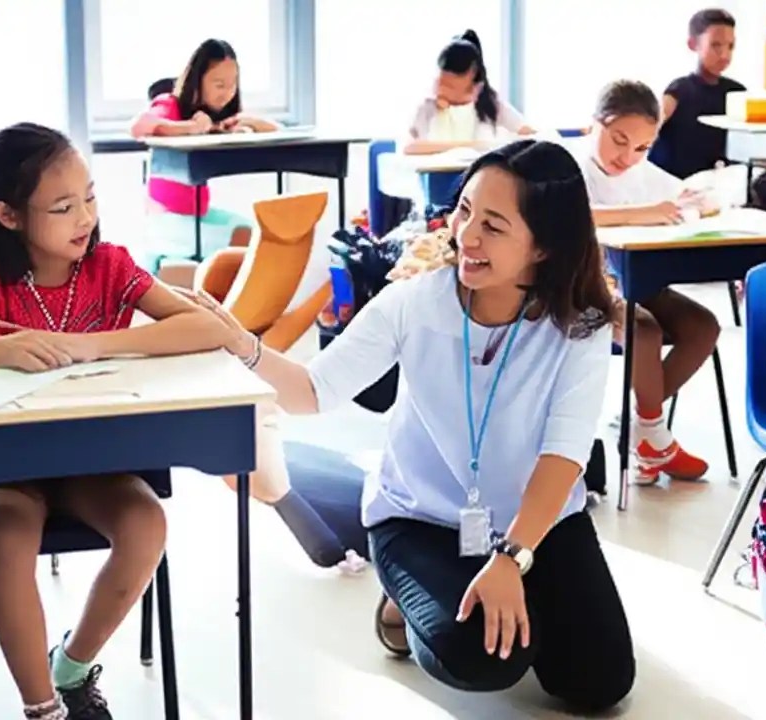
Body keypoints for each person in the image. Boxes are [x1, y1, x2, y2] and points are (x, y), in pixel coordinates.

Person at [186, 139, 635, 711]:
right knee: (484, 659)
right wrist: (236, 340)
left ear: (544, 246)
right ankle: (401, 601)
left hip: (536, 525)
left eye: (493, 226)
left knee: (598, 685)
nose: (466, 236)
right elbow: (312, 391)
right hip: (420, 520)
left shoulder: (580, 326)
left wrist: (511, 558)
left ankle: (507, 589)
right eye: (465, 210)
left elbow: (564, 455)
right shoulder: (414, 302)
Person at [0, 122, 233, 720]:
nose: (84, 216)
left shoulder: (110, 267)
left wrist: (94, 345)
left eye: (89, 197)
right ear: (9, 215)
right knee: (6, 534)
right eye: (62, 207)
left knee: (145, 523)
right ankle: (44, 709)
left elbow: (210, 328)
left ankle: (73, 666)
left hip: (90, 459)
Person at [569, 79, 718, 481]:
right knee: (644, 331)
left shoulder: (642, 174)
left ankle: (640, 427)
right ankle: (652, 438)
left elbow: (698, 197)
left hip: (637, 281)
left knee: (703, 326)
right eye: (619, 140)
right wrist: (644, 212)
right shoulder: (568, 165)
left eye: (642, 148)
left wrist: (694, 203)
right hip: (580, 287)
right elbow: (573, 217)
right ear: (594, 124)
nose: (627, 156)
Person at [128, 39, 271, 270]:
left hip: (198, 214)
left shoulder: (212, 114)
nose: (227, 93)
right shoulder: (170, 104)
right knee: (241, 238)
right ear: (198, 80)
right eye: (219, 84)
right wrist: (190, 128)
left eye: (233, 84)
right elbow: (138, 126)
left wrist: (246, 121)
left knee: (258, 233)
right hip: (167, 221)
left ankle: (239, 304)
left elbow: (277, 130)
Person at [649, 8, 746, 179]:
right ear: (693, 44)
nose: (725, 55)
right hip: (674, 185)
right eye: (716, 45)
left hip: (718, 185)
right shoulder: (679, 90)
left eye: (731, 46)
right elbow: (652, 124)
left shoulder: (736, 93)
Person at [404, 30, 535, 155]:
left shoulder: (490, 104)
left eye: (450, 86)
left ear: (474, 86)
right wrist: (472, 146)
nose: (441, 90)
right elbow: (408, 146)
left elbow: (532, 135)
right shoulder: (427, 106)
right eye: (440, 82)